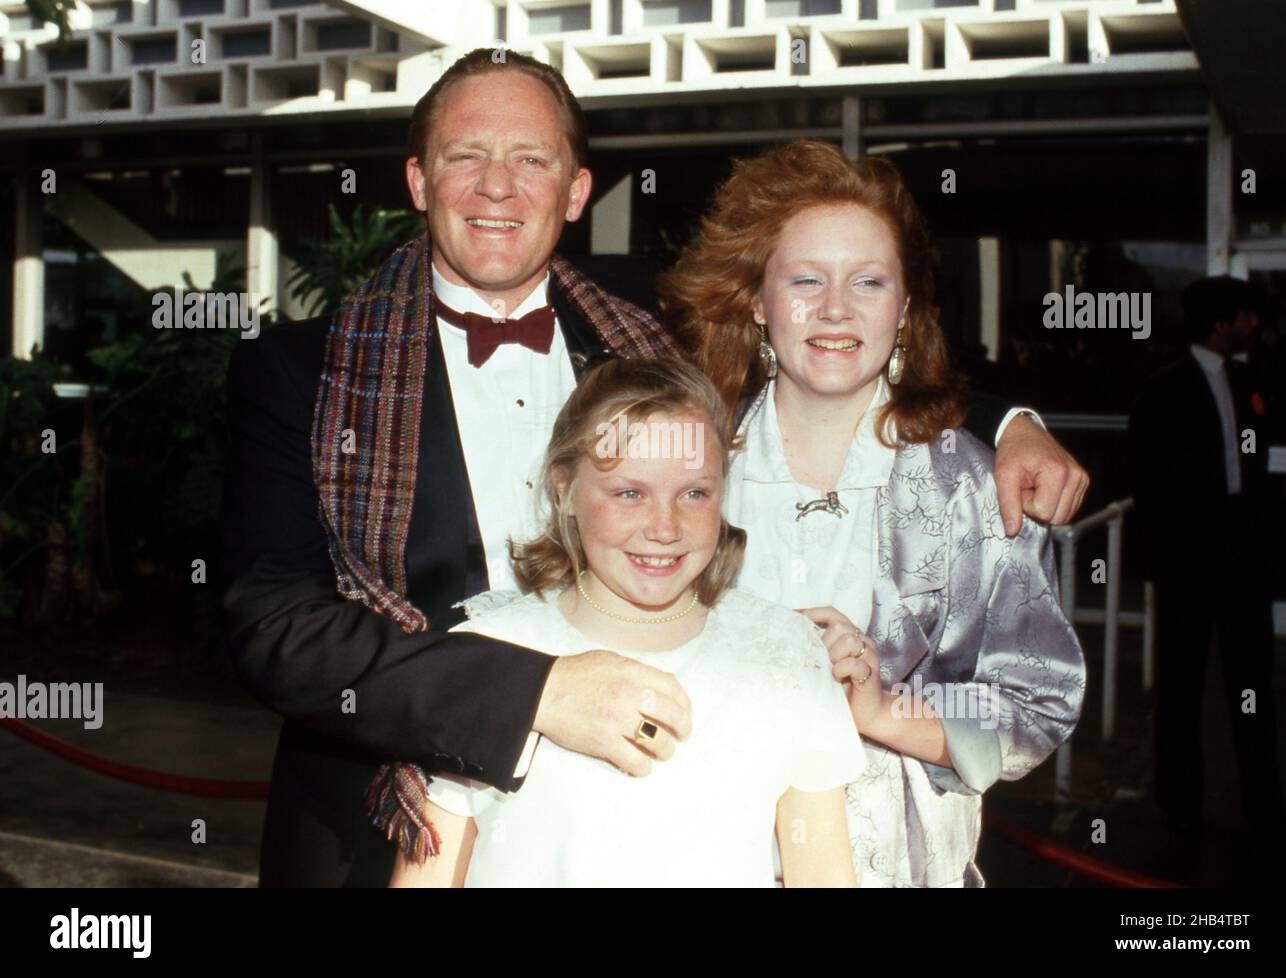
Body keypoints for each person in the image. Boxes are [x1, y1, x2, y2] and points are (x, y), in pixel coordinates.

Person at [220, 47, 1088, 887]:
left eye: (532, 158)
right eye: (466, 157)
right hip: (387, 820)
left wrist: (1005, 425)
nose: (497, 186)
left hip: (683, 826)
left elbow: (832, 339)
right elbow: (274, 627)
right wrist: (534, 690)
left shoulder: (641, 328)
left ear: (575, 191)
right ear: (417, 180)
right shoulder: (304, 372)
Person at [661, 140, 1087, 886]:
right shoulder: (685, 469)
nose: (834, 309)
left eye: (868, 281)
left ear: (906, 307)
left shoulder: (974, 488)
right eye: (804, 279)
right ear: (758, 300)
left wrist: (884, 709)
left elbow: (1038, 701)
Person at [382, 358, 866, 886]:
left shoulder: (787, 654)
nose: (665, 527)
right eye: (629, 493)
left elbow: (822, 873)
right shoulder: (488, 652)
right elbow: (428, 874)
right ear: (564, 488)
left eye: (694, 493)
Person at [1130, 276, 1286, 845]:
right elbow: (1149, 486)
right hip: (1188, 572)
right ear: (1220, 322)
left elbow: (1261, 471)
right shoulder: (1162, 390)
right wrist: (1163, 566)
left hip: (1244, 568)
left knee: (1253, 688)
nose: (1254, 326)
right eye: (1246, 316)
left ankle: (1265, 812)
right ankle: (1179, 812)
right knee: (1181, 690)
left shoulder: (1255, 381)